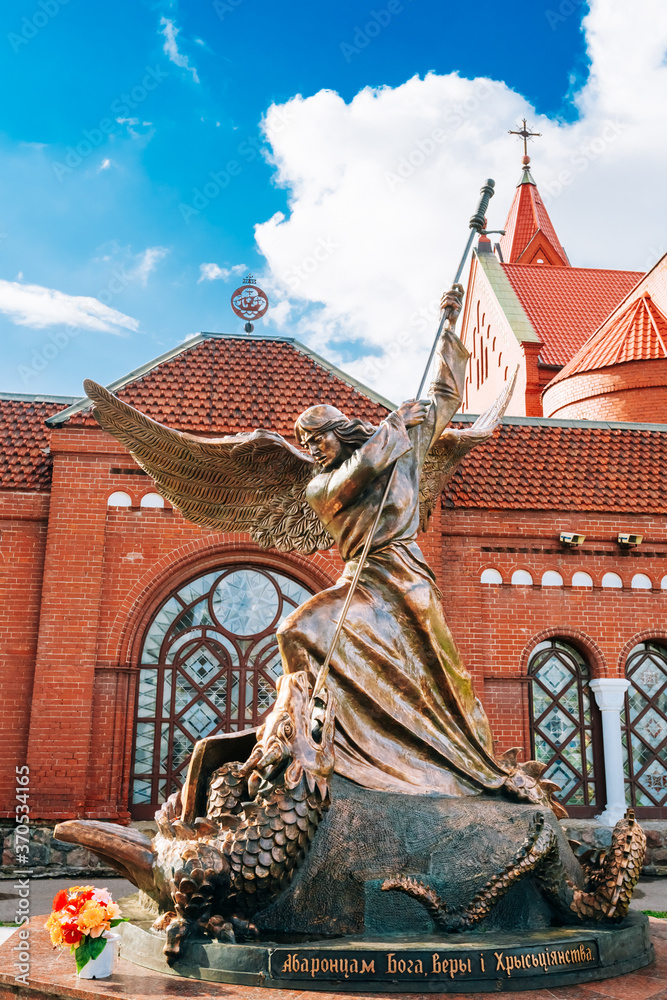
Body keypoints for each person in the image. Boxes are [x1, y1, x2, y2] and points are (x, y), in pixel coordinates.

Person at [277, 290, 511, 797]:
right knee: (297, 629)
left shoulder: (402, 450)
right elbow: (353, 479)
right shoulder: (323, 484)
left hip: (405, 574)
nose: (312, 449)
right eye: (305, 443)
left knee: (443, 678)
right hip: (361, 577)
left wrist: (449, 328)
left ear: (339, 431)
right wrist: (394, 427)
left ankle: (471, 763)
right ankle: (320, 739)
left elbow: (445, 398)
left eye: (318, 438)